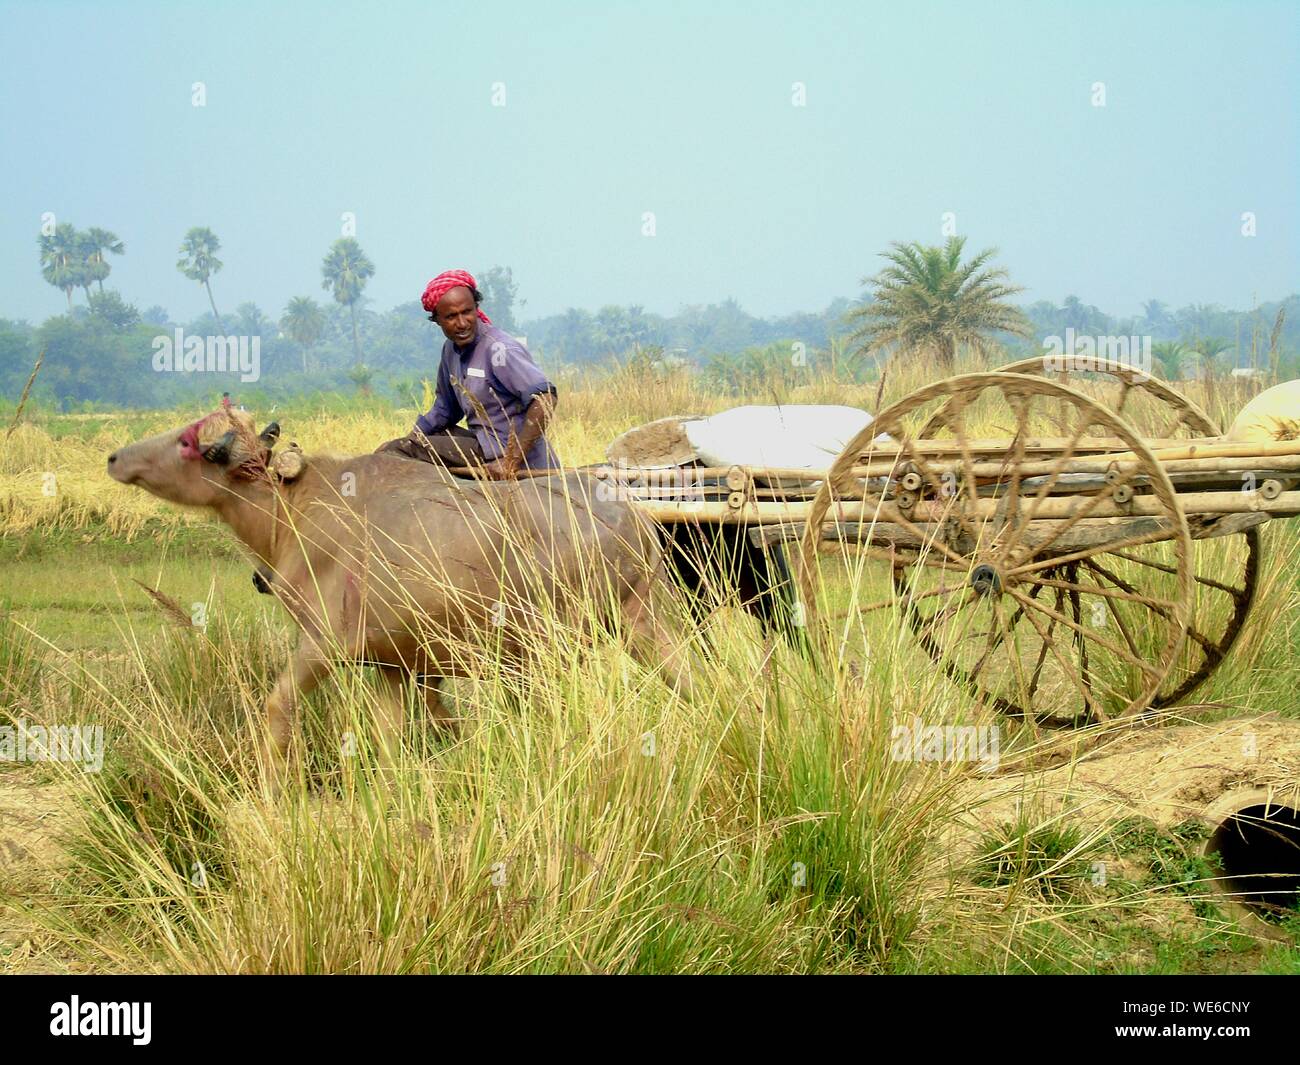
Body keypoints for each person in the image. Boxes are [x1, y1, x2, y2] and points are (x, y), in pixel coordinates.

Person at [376, 269, 558, 479]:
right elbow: (445, 409)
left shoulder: (500, 349)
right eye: (451, 317)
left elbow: (545, 399)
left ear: (476, 308)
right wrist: (412, 437)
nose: (462, 323)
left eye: (467, 312)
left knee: (403, 450)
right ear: (437, 320)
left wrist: (511, 461)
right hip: (481, 444)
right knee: (410, 444)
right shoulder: (450, 351)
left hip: (515, 456)